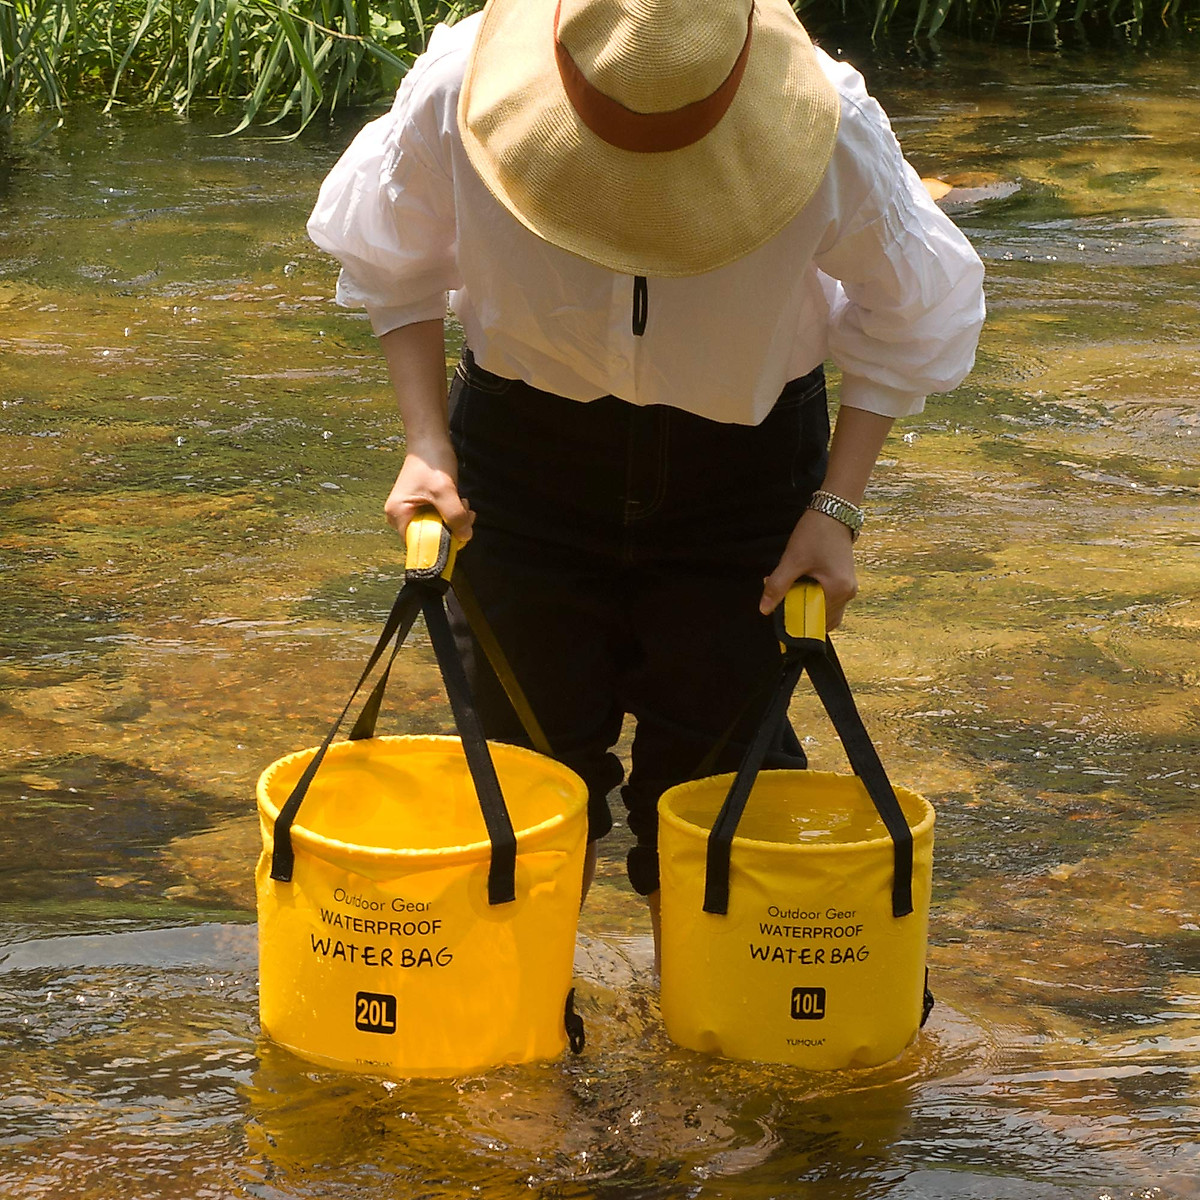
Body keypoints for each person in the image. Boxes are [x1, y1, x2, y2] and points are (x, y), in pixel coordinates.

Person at [307, 0, 985, 945]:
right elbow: (392, 258)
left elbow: (915, 313)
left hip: (744, 485)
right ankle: (528, 1024)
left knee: (716, 794)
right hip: (519, 467)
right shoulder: (462, 86)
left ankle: (706, 1026)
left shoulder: (830, 125)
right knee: (523, 784)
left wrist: (837, 508)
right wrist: (426, 442)